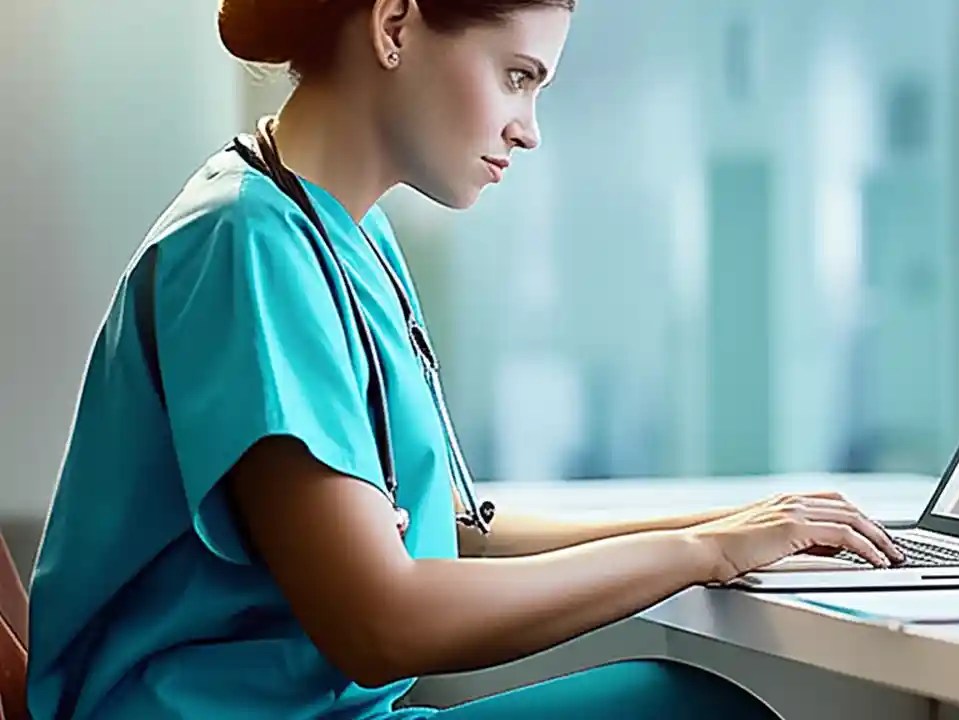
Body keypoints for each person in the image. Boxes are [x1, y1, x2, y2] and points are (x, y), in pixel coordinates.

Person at [26, 1, 905, 717]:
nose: (529, 131)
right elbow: (381, 621)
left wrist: (738, 526)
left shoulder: (350, 236)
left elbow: (455, 530)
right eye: (518, 78)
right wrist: (699, 551)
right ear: (396, 25)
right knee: (686, 711)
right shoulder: (246, 244)